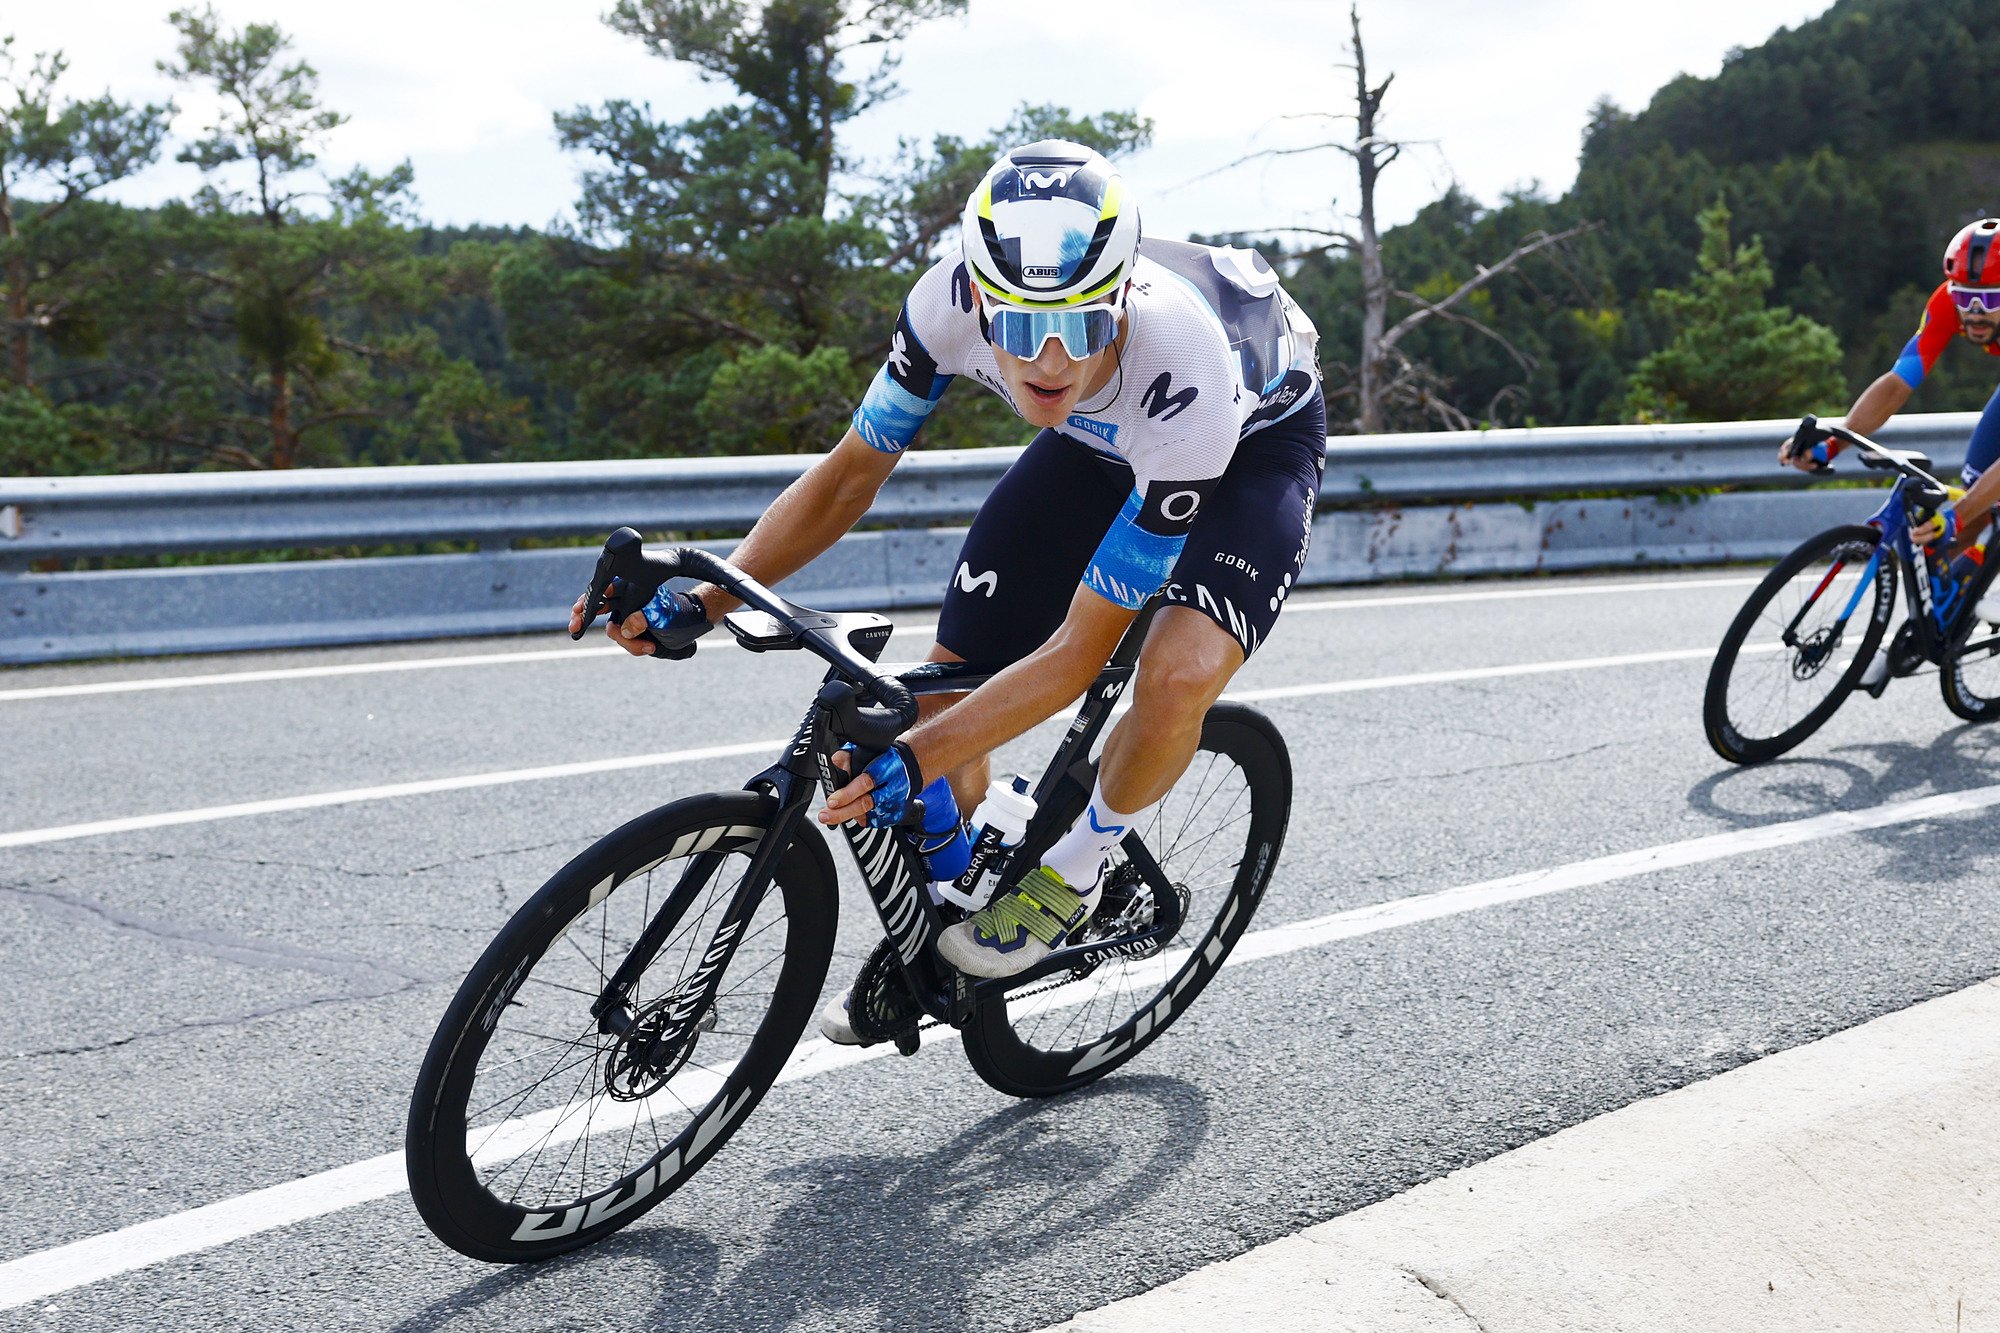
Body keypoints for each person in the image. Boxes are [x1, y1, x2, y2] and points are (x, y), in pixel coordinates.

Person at [570, 140, 1326, 1040]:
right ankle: (953, 919)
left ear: (1122, 299)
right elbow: (851, 474)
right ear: (979, 298)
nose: (1048, 360)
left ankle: (1076, 871)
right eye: (1019, 327)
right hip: (1095, 440)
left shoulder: (1182, 367)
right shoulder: (944, 307)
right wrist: (706, 600)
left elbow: (1077, 654)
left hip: (1240, 448)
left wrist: (918, 759)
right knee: (950, 677)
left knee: (1174, 671)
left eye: (1082, 324)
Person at [1783, 218, 2000, 687]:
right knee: (1973, 497)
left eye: (1992, 300)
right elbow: (1899, 382)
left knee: (1970, 509)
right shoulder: (1948, 305)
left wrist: (1959, 516)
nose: (1976, 312)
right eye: (1966, 297)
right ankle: (1928, 629)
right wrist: (1836, 439)